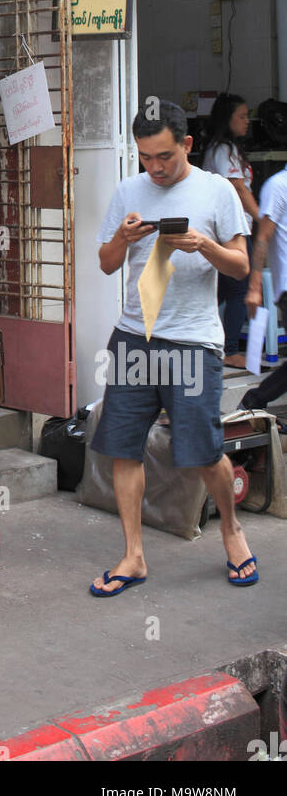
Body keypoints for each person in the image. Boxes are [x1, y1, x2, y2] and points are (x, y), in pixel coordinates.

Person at [90, 99, 258, 595]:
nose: (155, 168)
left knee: (203, 452)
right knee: (123, 449)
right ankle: (133, 556)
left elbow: (242, 267)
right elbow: (105, 263)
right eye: (145, 157)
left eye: (164, 155)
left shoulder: (217, 191)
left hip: (192, 341)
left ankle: (231, 531)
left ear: (186, 144)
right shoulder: (128, 191)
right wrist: (122, 238)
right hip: (134, 336)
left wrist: (204, 244)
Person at [202, 93, 258, 367]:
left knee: (221, 290)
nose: (247, 122)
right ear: (228, 119)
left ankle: (207, 343)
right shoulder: (222, 150)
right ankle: (231, 349)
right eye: (242, 116)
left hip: (229, 228)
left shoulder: (226, 148)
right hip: (228, 229)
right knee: (237, 289)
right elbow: (237, 185)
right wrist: (260, 216)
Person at [241, 159, 287, 413]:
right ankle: (256, 398)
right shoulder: (278, 186)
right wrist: (255, 285)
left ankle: (256, 399)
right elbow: (263, 237)